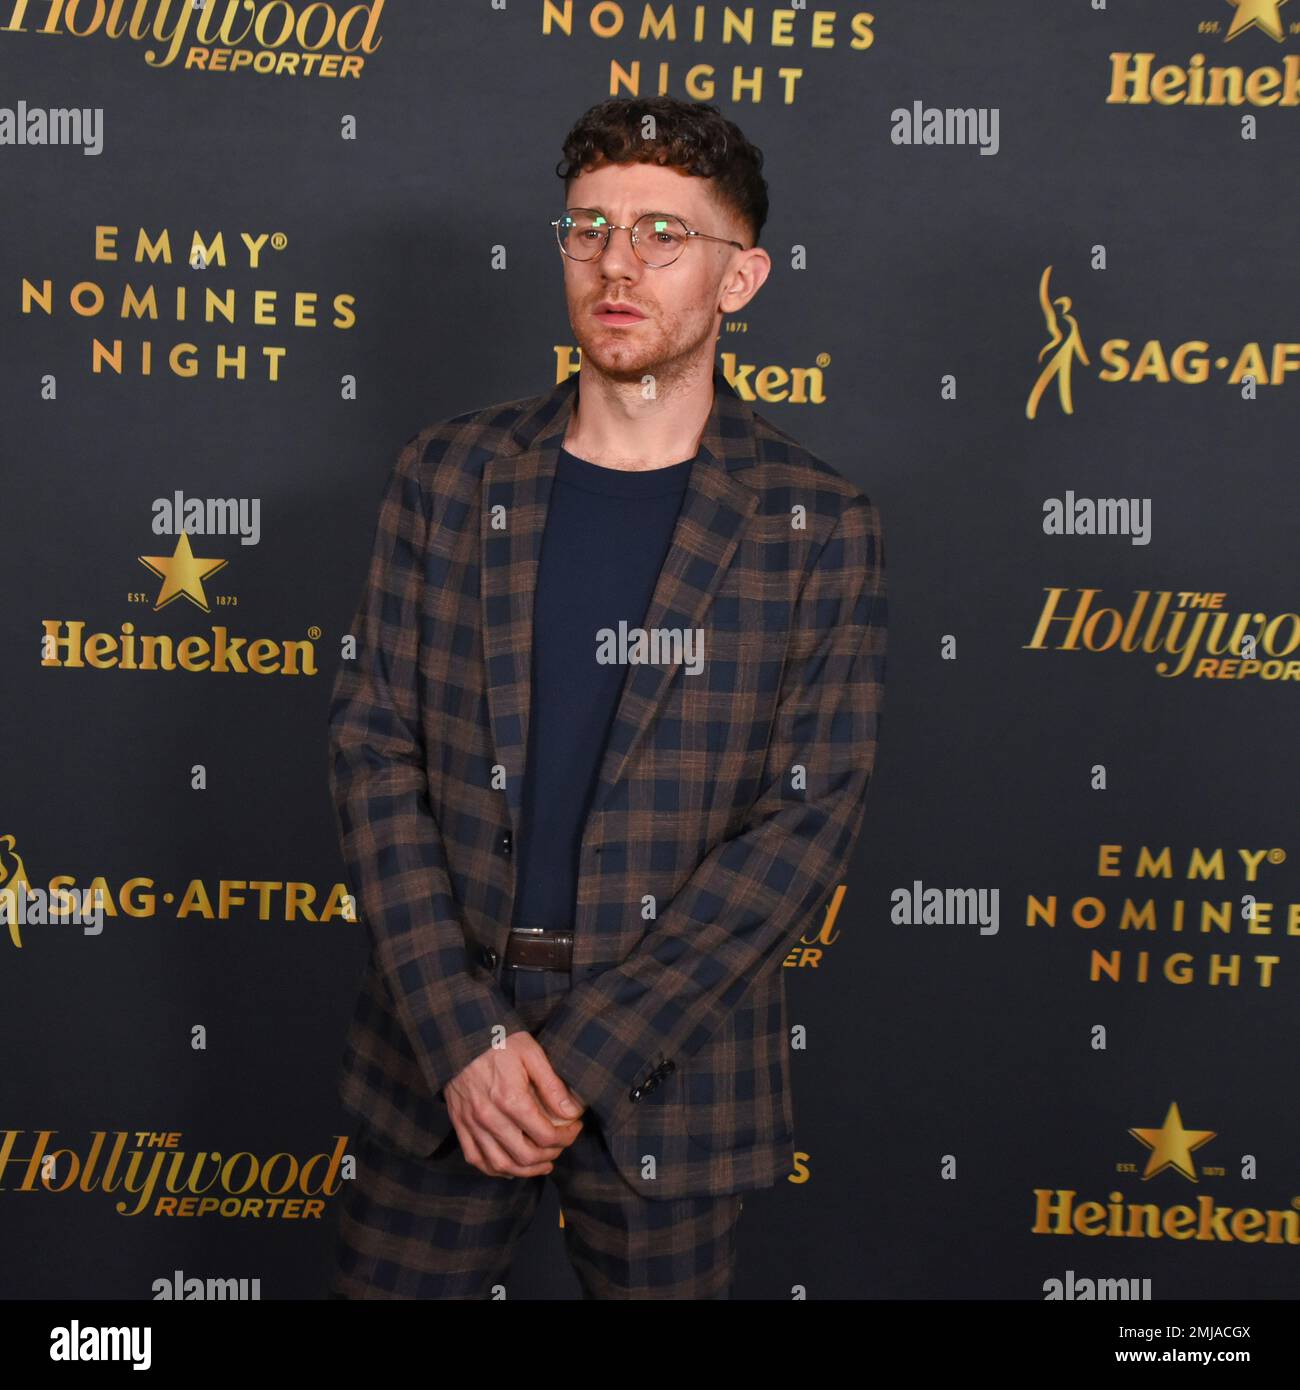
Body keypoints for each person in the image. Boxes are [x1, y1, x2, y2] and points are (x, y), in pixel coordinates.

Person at [327, 95, 887, 1299]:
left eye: (662, 235)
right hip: (440, 1059)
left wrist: (576, 1057)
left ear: (741, 279)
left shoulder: (817, 523)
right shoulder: (445, 475)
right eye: (589, 229)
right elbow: (374, 756)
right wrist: (470, 1042)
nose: (616, 264)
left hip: (673, 1073)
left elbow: (805, 825)